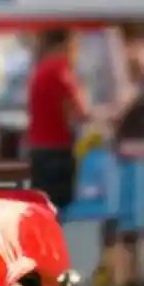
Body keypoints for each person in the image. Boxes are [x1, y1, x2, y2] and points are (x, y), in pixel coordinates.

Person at [26, 28, 88, 214]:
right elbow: (81, 111)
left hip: (38, 149)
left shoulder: (40, 69)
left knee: (43, 207)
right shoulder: (59, 69)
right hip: (56, 150)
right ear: (67, 44)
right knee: (60, 207)